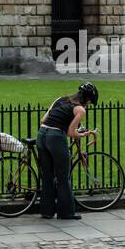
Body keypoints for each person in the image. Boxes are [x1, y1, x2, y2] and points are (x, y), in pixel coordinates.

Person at [36, 81, 99, 221]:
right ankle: (66, 213)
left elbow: (43, 119)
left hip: (41, 135)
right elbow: (71, 132)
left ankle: (46, 212)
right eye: (89, 103)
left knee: (47, 176)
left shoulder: (60, 99)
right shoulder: (80, 110)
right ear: (88, 100)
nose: (88, 105)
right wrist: (83, 134)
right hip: (55, 138)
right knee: (63, 177)